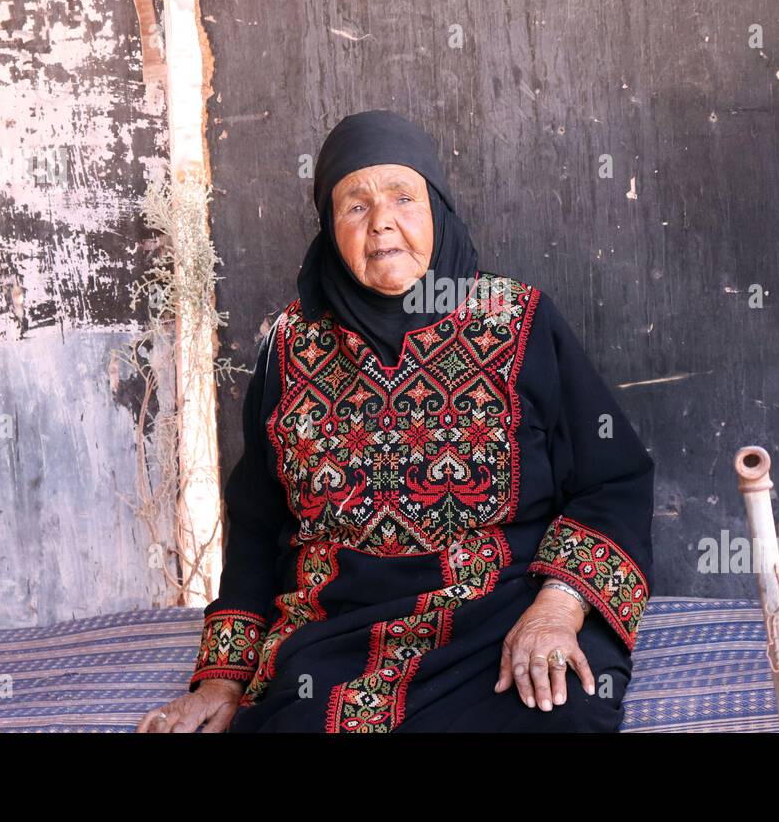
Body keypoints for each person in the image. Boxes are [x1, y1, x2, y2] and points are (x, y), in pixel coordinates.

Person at [137, 109, 654, 733]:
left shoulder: (520, 321)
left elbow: (614, 480)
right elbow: (254, 529)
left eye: (403, 198)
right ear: (330, 229)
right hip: (336, 638)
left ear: (435, 207)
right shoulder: (288, 347)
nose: (381, 221)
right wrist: (221, 680)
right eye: (355, 206)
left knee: (556, 714)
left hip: (502, 619)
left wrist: (558, 606)